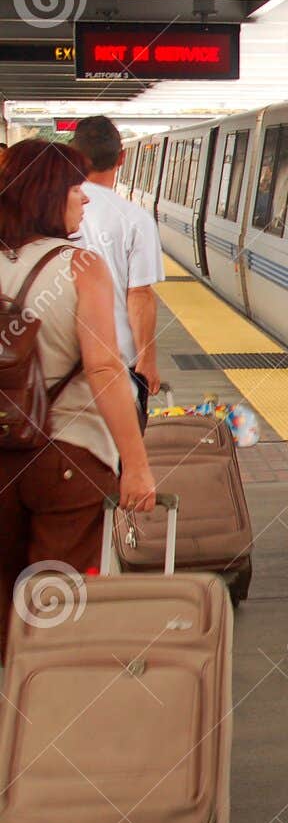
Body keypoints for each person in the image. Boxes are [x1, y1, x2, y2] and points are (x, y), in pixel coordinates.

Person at [0, 141, 157, 647]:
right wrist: (135, 464)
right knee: (58, 608)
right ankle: (50, 711)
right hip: (65, 457)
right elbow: (106, 370)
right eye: (74, 187)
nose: (84, 199)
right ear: (49, 194)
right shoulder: (80, 266)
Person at [72, 116, 164, 429]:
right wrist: (146, 359)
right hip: (118, 360)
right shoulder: (135, 218)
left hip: (62, 357)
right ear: (122, 158)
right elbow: (138, 294)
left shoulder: (48, 209)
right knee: (121, 456)